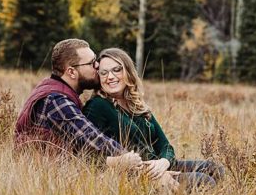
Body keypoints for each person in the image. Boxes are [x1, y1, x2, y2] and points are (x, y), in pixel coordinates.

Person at [13, 38, 173, 186]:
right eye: (91, 63)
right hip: (51, 183)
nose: (97, 66)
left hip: (59, 178)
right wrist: (137, 164)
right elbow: (93, 140)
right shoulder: (56, 100)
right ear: (71, 72)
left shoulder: (58, 93)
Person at [84, 48, 226, 188]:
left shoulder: (136, 104)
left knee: (214, 169)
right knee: (204, 181)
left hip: (157, 165)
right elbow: (89, 156)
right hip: (139, 174)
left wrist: (163, 162)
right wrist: (152, 172)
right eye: (104, 73)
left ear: (128, 71)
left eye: (117, 70)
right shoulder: (98, 106)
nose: (110, 77)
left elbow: (165, 145)